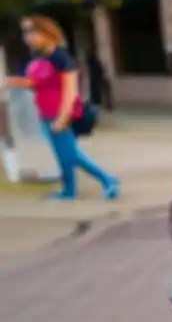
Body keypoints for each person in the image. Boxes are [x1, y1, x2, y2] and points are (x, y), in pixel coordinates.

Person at [7, 15, 119, 201]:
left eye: (32, 32)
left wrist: (64, 116)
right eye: (25, 33)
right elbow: (31, 82)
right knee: (64, 154)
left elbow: (70, 90)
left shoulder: (61, 57)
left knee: (70, 155)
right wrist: (8, 81)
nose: (28, 37)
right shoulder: (36, 58)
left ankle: (107, 180)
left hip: (62, 113)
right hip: (45, 112)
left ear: (46, 33)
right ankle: (70, 189)